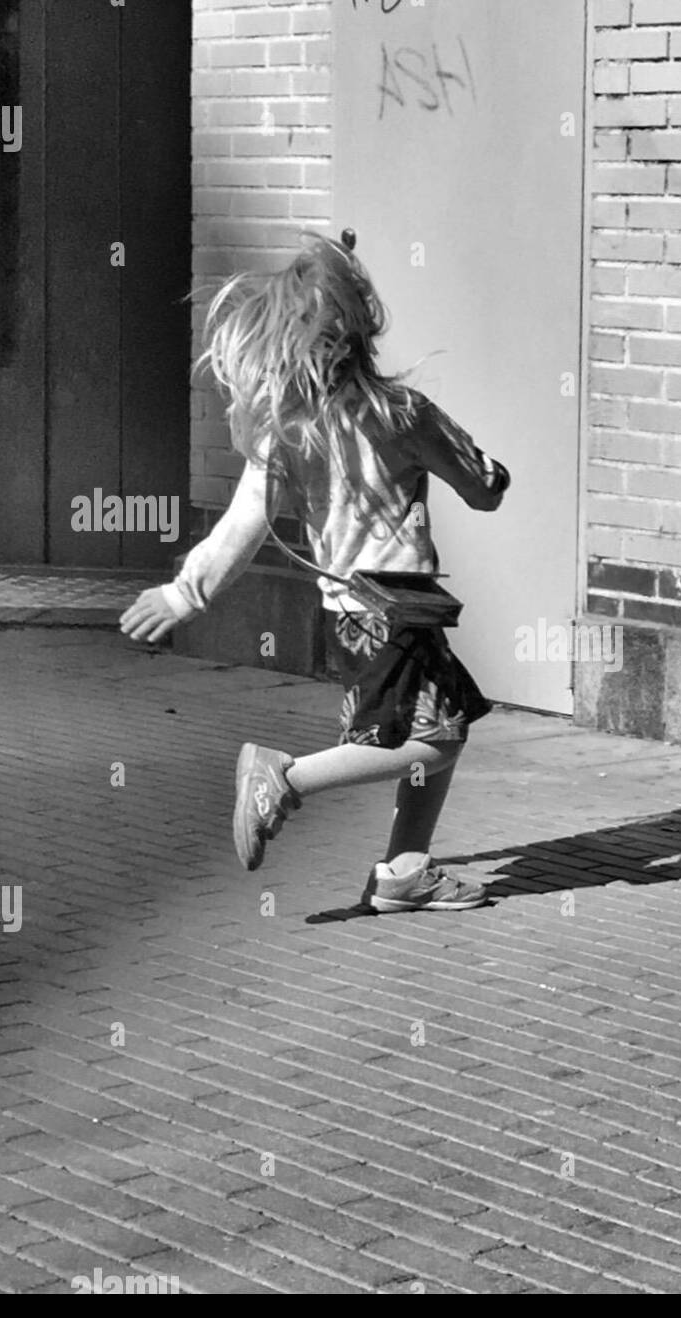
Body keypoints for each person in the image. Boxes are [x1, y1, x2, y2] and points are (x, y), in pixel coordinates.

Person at [119, 231, 510, 911]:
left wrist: (188, 592)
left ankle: (404, 871)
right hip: (395, 609)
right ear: (360, 335)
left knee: (439, 727)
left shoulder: (287, 430)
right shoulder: (403, 413)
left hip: (350, 616)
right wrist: (490, 475)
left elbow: (242, 524)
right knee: (433, 740)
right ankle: (286, 776)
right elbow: (481, 487)